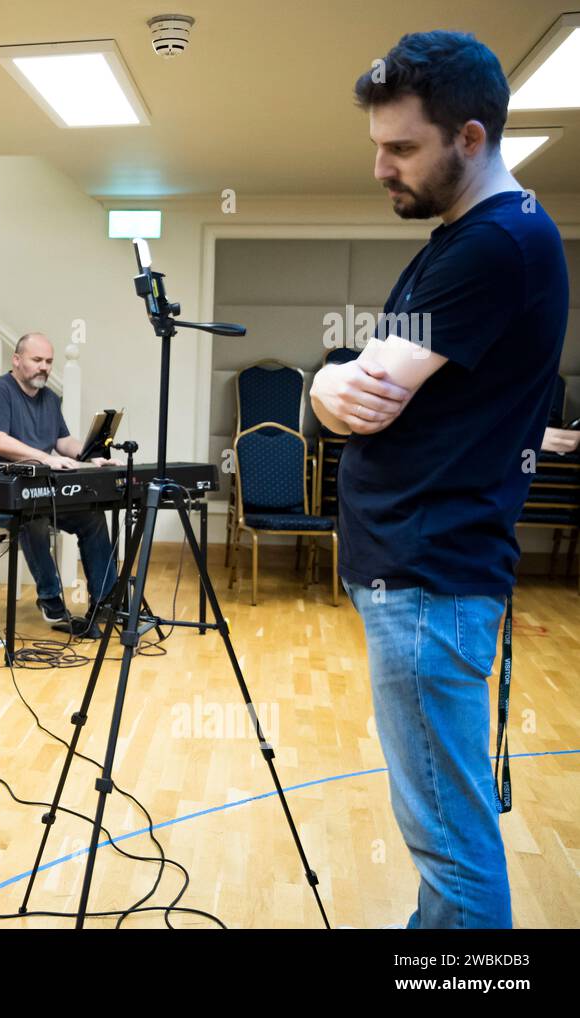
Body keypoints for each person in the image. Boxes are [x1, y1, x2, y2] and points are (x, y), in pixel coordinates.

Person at [311, 32, 568, 927]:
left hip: (429, 578)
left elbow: (363, 398)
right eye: (377, 144)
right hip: (424, 575)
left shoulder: (493, 247)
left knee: (450, 839)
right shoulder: (471, 237)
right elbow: (349, 387)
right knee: (441, 827)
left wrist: (325, 381)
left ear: (470, 137)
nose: (381, 166)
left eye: (402, 148)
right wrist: (326, 382)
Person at [0, 332, 117, 635]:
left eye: (48, 361)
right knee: (33, 518)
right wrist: (43, 459)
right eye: (37, 360)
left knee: (92, 518)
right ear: (17, 360)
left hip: (35, 487)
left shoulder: (49, 398)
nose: (44, 367)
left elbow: (63, 441)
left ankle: (106, 603)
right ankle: (50, 599)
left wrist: (92, 456)